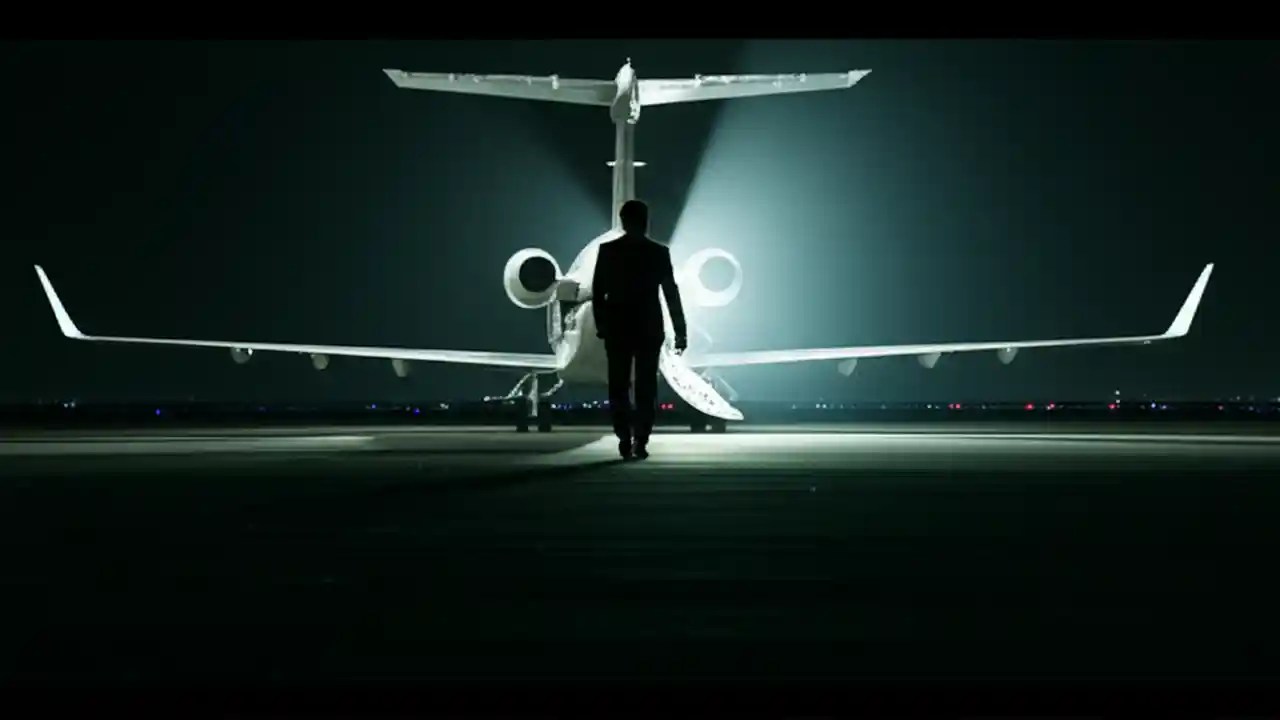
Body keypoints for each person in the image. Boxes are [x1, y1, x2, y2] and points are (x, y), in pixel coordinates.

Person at [591, 200, 687, 460]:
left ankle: (624, 438)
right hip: (648, 328)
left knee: (618, 386)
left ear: (622, 221)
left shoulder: (608, 251)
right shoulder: (658, 252)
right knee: (646, 388)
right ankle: (641, 441)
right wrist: (681, 330)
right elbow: (670, 293)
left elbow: (598, 292)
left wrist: (602, 326)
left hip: (618, 328)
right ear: (646, 221)